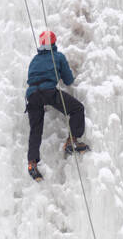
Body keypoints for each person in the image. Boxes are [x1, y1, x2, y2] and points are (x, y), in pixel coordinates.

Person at [25, 30, 89, 180]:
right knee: (77, 108)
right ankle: (72, 141)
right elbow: (68, 80)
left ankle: (32, 163)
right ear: (53, 43)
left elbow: (31, 77)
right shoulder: (58, 57)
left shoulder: (34, 60)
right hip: (48, 92)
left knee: (35, 130)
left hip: (32, 96)